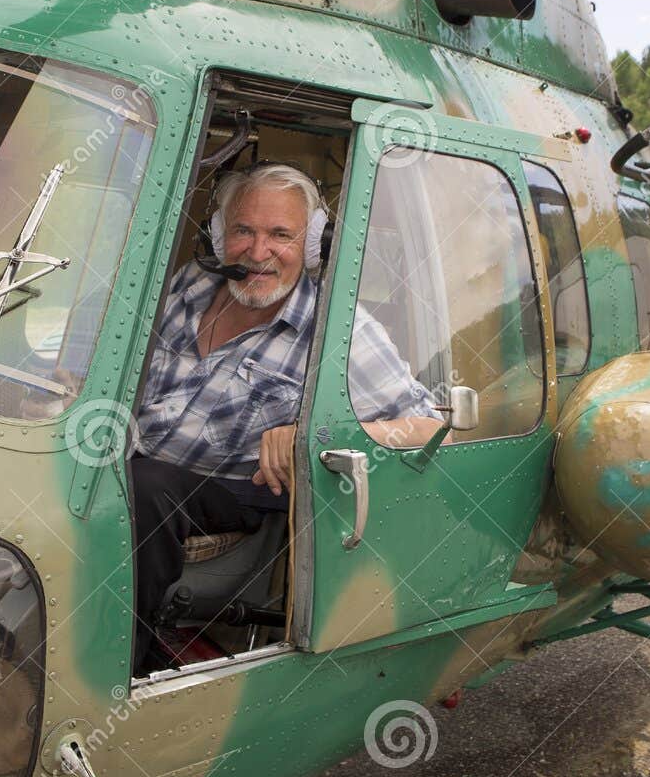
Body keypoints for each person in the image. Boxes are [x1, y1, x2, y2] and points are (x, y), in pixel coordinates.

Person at [128, 163, 443, 674]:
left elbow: (428, 428)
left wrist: (312, 436)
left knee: (141, 486)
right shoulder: (189, 285)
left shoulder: (338, 331)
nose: (258, 253)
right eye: (243, 231)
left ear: (313, 245)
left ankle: (119, 667)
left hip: (220, 494)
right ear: (218, 235)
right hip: (128, 459)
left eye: (281, 235)